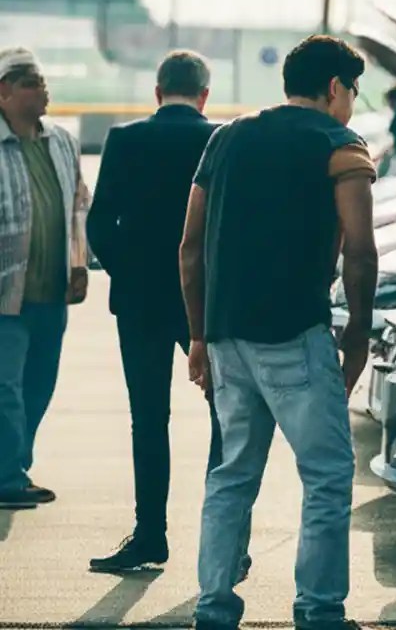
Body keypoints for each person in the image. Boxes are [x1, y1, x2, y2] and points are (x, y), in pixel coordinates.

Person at [180, 34, 377, 630]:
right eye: (353, 91)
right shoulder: (340, 145)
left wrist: (198, 336)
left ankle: (214, 608)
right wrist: (359, 337)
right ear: (336, 88)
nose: (352, 103)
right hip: (294, 334)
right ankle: (318, 613)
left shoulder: (227, 138)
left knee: (232, 475)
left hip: (226, 337)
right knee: (326, 478)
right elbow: (361, 253)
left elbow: (190, 250)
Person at [86, 50, 250, 576]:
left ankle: (149, 536)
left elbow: (97, 224)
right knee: (224, 419)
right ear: (205, 95)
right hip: (206, 301)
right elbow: (235, 225)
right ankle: (223, 543)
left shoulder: (125, 139)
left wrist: (128, 273)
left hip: (139, 303)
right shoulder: (224, 138)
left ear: (158, 93)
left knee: (149, 419)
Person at [0, 47, 90, 510]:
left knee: (39, 384)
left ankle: (13, 465)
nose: (43, 89)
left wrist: (80, 264)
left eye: (42, 80)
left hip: (51, 291)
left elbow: (77, 205)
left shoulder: (61, 140)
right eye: (31, 81)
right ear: (5, 91)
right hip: (4, 295)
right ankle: (7, 477)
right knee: (6, 387)